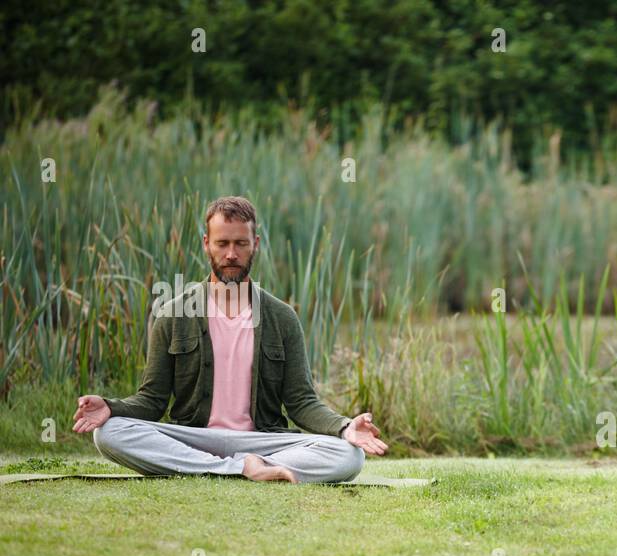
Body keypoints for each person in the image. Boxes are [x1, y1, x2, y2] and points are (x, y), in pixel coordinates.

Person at [71, 196, 387, 483]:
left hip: (262, 440)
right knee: (108, 433)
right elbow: (152, 401)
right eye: (222, 244)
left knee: (349, 454)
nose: (231, 254)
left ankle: (247, 462)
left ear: (256, 244)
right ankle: (240, 468)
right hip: (193, 437)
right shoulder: (172, 315)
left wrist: (346, 427)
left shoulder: (282, 318)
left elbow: (302, 403)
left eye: (241, 243)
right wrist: (111, 408)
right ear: (206, 244)